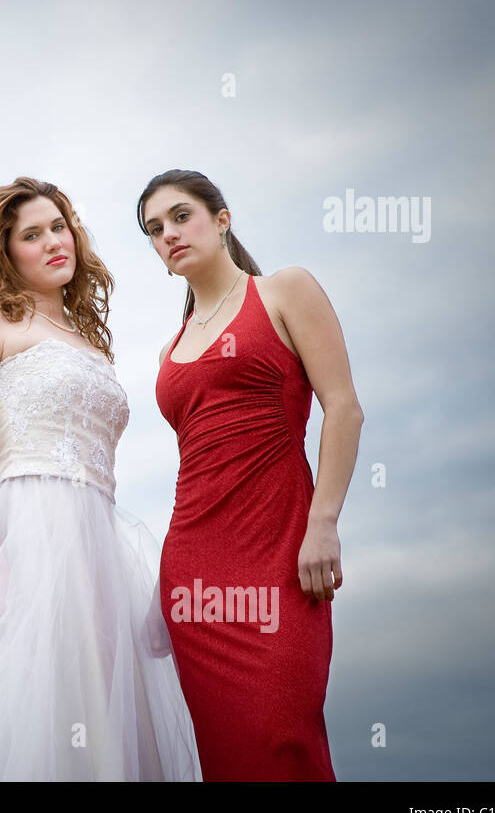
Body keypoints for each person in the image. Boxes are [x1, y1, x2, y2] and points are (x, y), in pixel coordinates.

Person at [0, 177, 201, 781]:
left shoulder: (92, 345)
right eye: (32, 234)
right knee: (38, 717)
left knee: (107, 722)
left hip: (99, 547)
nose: (54, 241)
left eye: (59, 226)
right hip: (33, 536)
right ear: (7, 251)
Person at [140, 168, 365, 780]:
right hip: (193, 569)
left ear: (222, 218)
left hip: (282, 549)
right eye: (154, 230)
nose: (169, 235)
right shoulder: (170, 351)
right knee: (227, 755)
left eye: (181, 216)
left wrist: (323, 524)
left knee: (280, 733)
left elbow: (343, 408)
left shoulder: (285, 292)